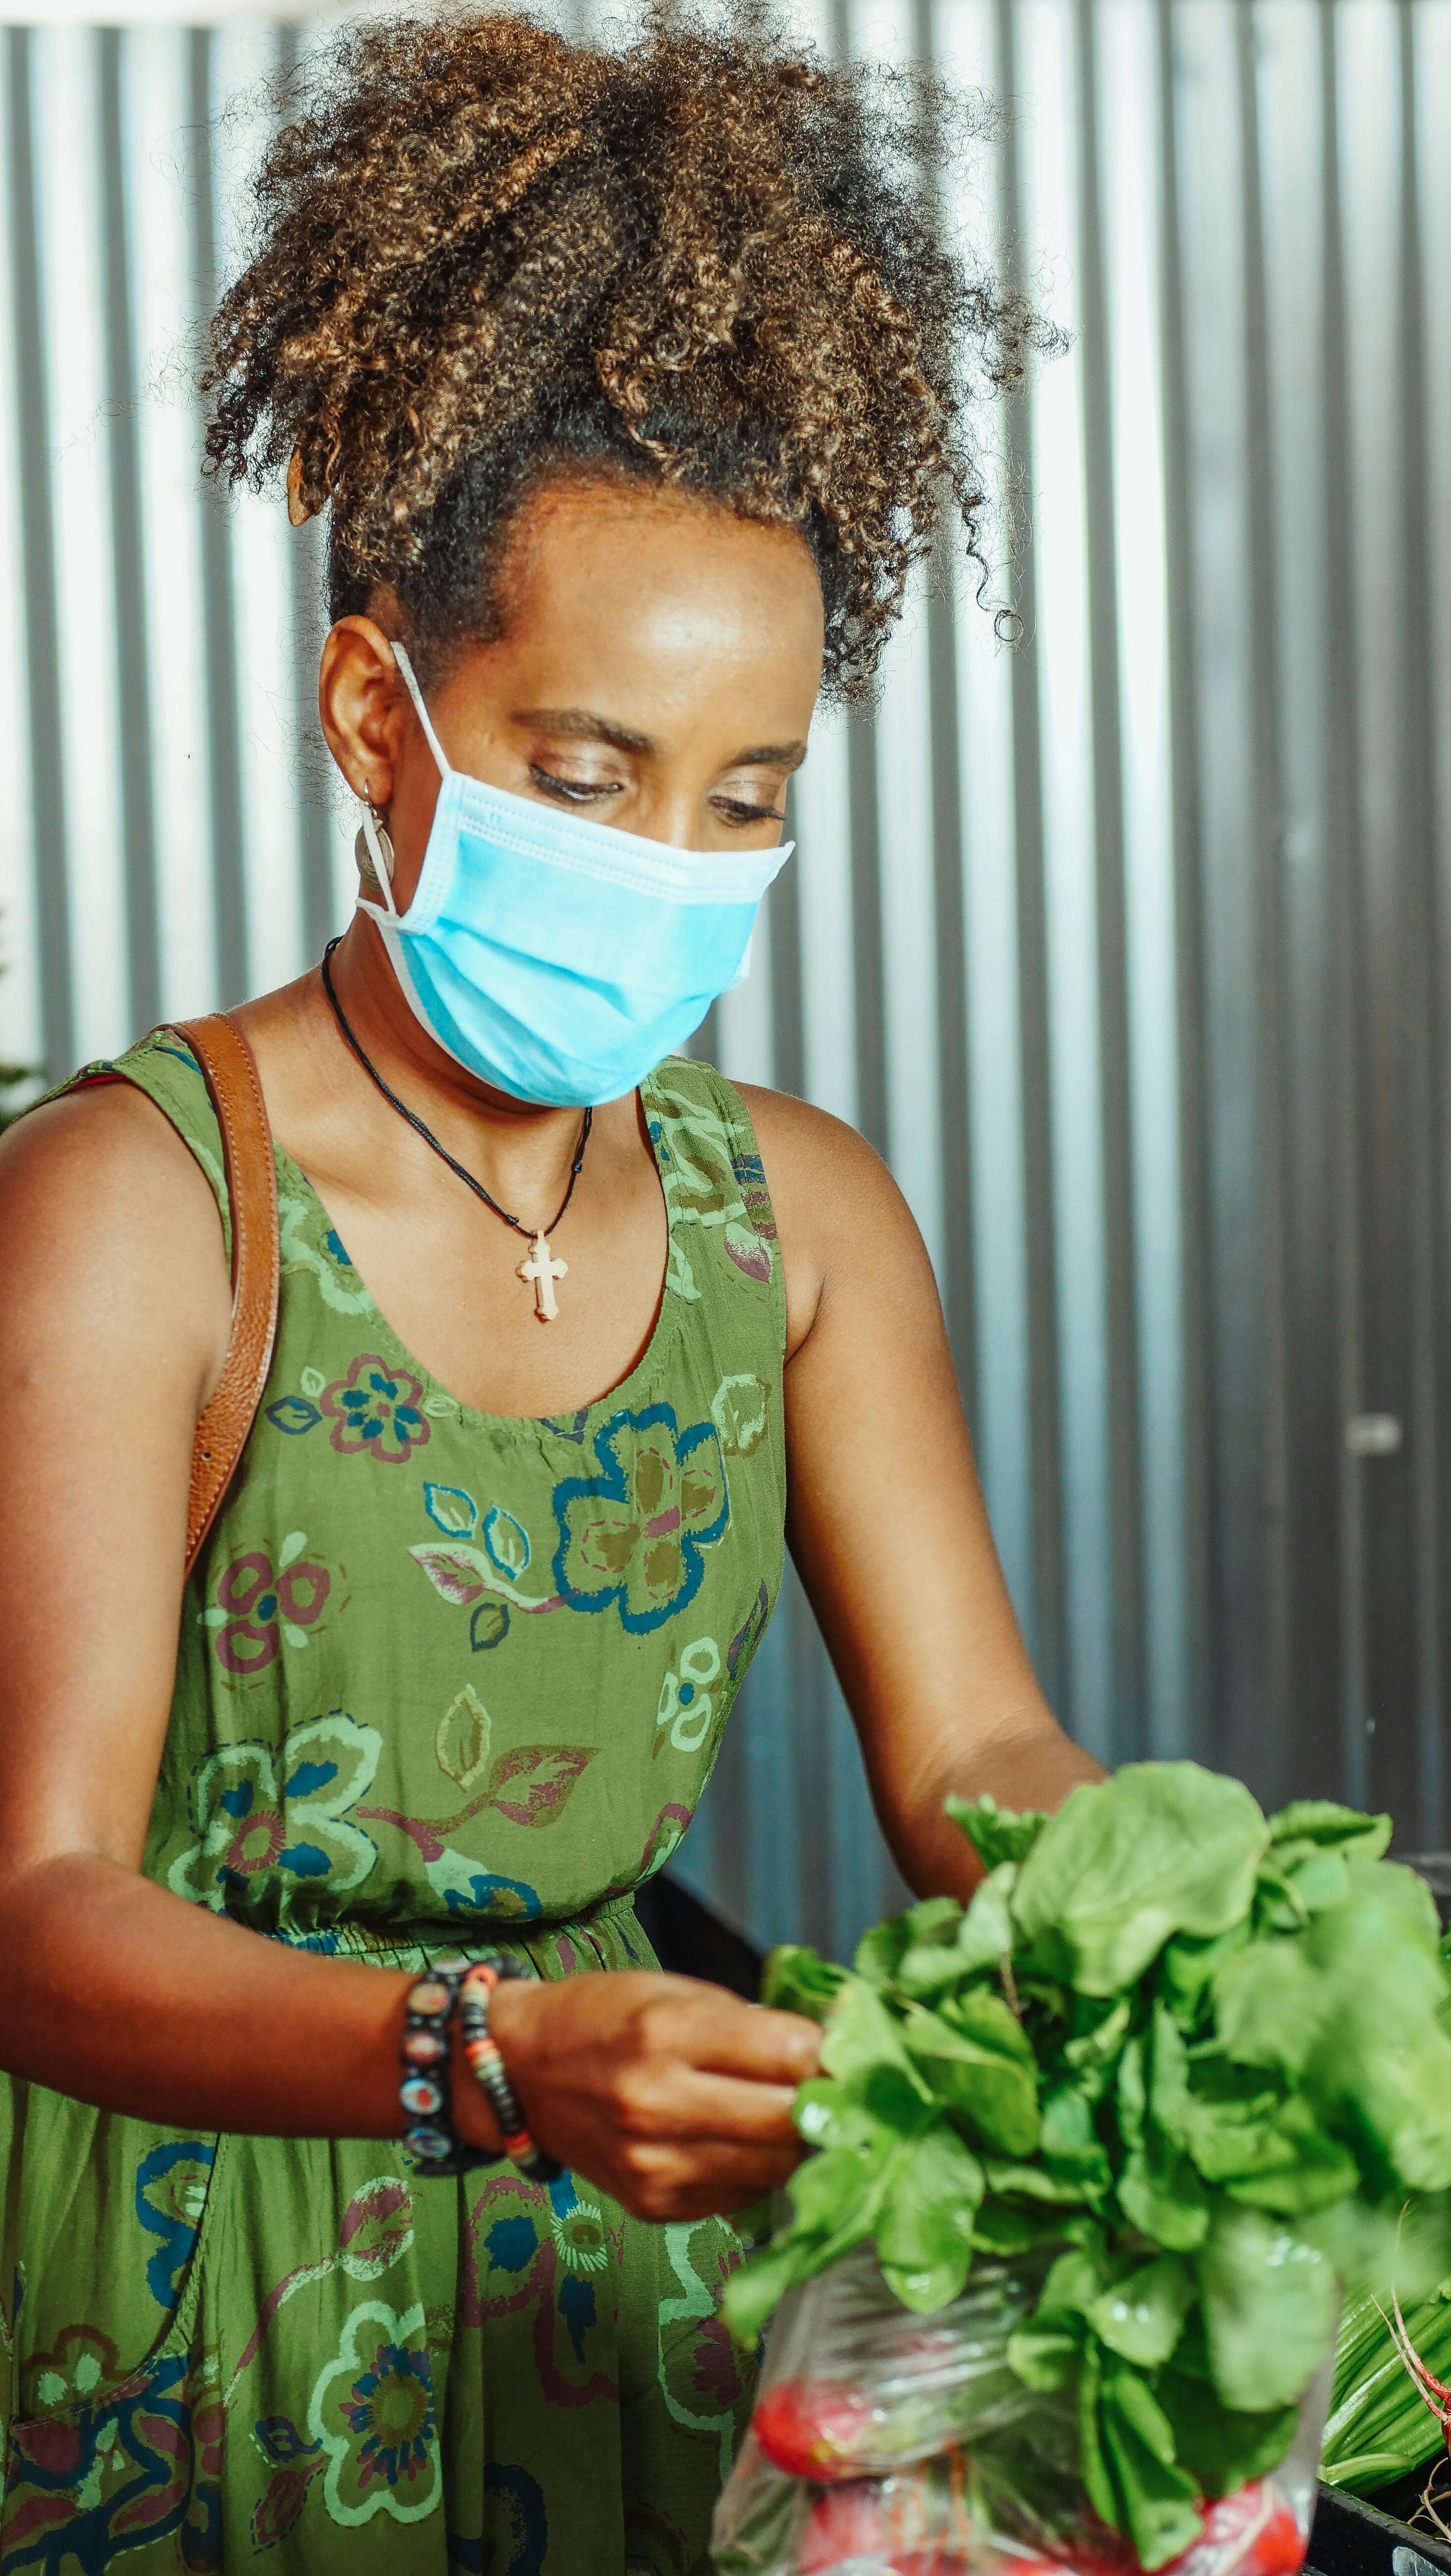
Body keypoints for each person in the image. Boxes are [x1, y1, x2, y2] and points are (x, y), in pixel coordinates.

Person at [0, 11, 1100, 2571]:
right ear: (379, 714)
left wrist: (1225, 1950)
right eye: (588, 774)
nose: (672, 865)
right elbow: (37, 1913)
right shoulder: (131, 1205)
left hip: (626, 2295)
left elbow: (982, 1773)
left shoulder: (799, 1225)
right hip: (172, 2324)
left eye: (746, 802)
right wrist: (487, 2053)